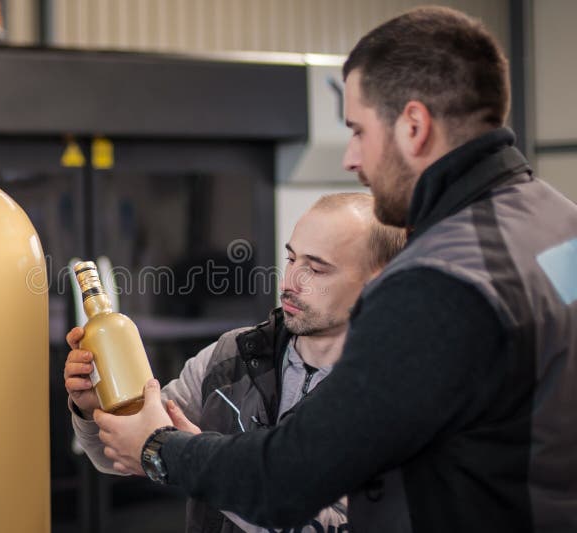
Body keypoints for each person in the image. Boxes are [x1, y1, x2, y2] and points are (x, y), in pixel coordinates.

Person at [92, 6, 577, 532]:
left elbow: (289, 478)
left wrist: (159, 448)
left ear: (414, 127)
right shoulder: (559, 225)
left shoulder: (440, 281)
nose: (350, 158)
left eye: (358, 131)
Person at [64, 193, 406, 532]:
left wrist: (189, 459)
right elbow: (122, 453)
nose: (290, 283)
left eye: (316, 269)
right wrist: (96, 407)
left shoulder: (393, 396)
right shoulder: (230, 356)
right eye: (291, 259)